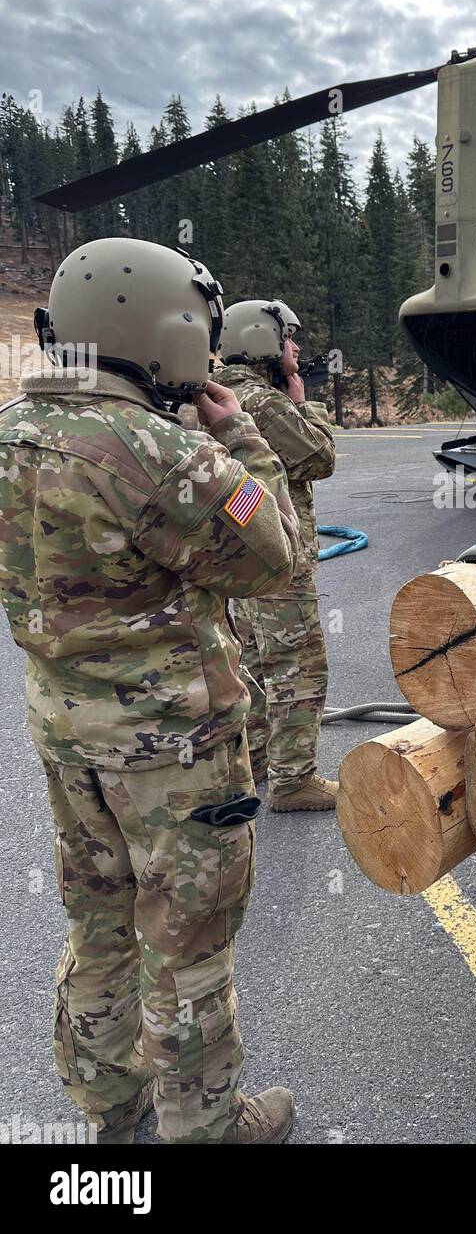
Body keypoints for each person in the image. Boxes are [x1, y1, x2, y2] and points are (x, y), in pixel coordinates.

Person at [0, 239, 302, 1144]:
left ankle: (110, 1114)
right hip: (175, 750)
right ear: (168, 329)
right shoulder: (169, 456)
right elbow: (272, 550)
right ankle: (204, 1130)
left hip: (65, 732)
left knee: (99, 925)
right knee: (186, 940)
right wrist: (242, 439)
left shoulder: (9, 434)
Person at [213, 299, 337, 812]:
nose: (297, 347)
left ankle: (259, 759)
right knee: (300, 664)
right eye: (289, 338)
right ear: (264, 341)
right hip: (276, 554)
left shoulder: (220, 394)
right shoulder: (262, 401)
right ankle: (294, 780)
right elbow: (319, 457)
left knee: (257, 662)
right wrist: (306, 404)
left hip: (238, 561)